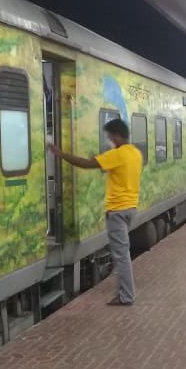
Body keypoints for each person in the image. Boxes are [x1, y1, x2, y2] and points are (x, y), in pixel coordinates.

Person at [48, 118, 142, 304]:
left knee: (121, 256)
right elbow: (114, 170)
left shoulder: (118, 154)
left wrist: (60, 154)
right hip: (131, 208)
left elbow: (86, 164)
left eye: (110, 136)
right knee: (123, 254)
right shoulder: (135, 153)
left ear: (117, 135)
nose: (109, 140)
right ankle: (125, 294)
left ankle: (126, 296)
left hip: (117, 211)